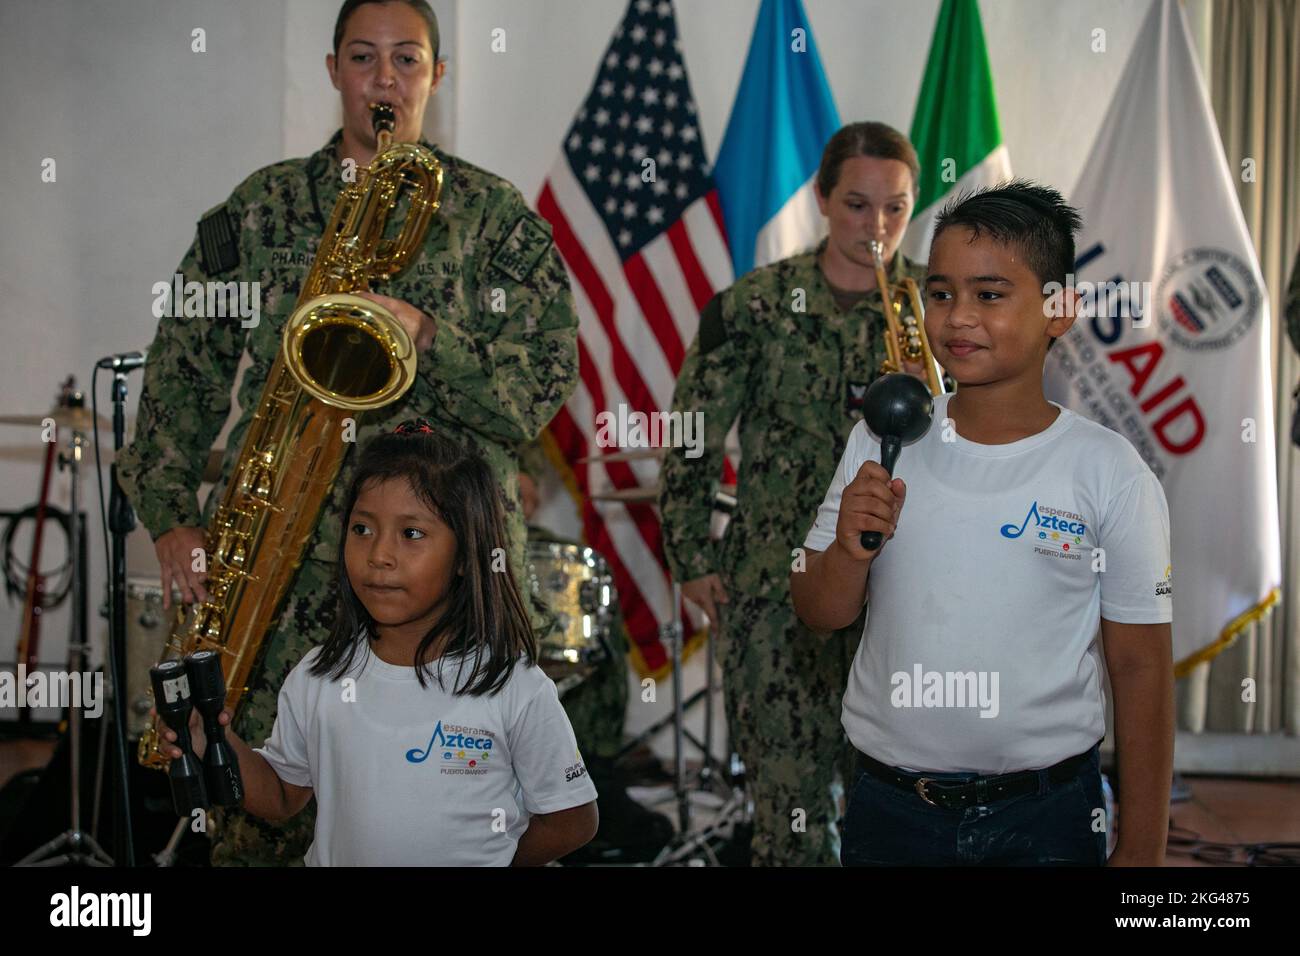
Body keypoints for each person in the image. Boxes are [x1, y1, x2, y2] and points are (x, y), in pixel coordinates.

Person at [117, 0, 578, 865]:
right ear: (333, 70)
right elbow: (182, 375)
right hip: (277, 571)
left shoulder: (492, 216)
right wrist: (173, 517)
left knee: (450, 808)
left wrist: (430, 338)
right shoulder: (260, 211)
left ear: (438, 77)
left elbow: (539, 393)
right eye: (364, 58)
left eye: (408, 59)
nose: (385, 79)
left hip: (450, 583)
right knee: (256, 822)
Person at [791, 181, 1175, 866]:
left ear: (1059, 310)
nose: (958, 317)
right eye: (941, 294)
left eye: (990, 295)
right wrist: (849, 551)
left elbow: (1141, 666)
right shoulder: (884, 439)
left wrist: (1143, 847)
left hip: (1048, 814)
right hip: (889, 809)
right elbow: (819, 611)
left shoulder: (1109, 472)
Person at [658, 122, 927, 866]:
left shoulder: (934, 314)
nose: (876, 227)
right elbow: (692, 437)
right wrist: (689, 554)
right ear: (821, 198)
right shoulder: (755, 305)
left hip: (904, 587)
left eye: (895, 208)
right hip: (775, 589)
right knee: (792, 812)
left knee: (896, 808)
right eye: (856, 205)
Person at [155, 422, 598, 865]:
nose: (379, 555)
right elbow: (282, 795)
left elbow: (571, 820)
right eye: (362, 529)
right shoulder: (318, 676)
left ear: (465, 556)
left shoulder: (512, 685)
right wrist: (210, 736)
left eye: (411, 534)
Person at [516, 443, 674, 862]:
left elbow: (525, 451)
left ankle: (592, 768)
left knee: (587, 594)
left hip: (497, 522)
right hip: (453, 522)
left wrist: (519, 475)